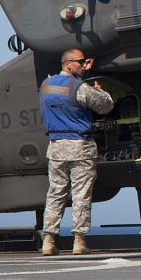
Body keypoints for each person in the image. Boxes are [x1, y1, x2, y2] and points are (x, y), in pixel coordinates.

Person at [39, 49, 114, 256]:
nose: (83, 65)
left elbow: (63, 99)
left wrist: (83, 75)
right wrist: (99, 90)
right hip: (80, 146)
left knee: (55, 194)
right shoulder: (79, 87)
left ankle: (48, 241)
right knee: (81, 195)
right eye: (80, 62)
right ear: (68, 64)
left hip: (56, 147)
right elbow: (105, 106)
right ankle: (79, 241)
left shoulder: (45, 86)